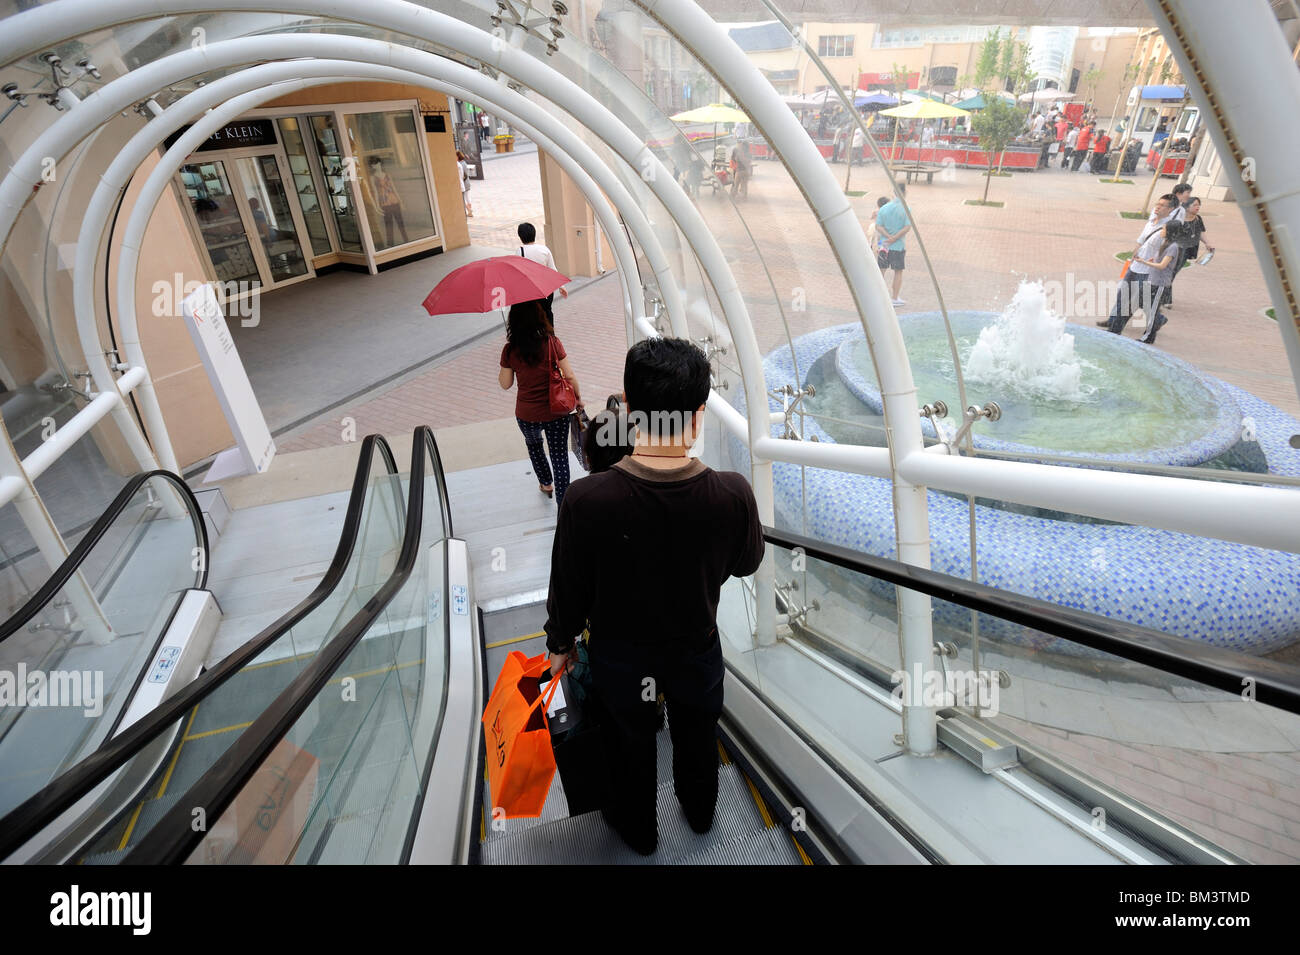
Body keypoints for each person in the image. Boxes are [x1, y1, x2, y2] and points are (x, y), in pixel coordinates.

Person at [543, 337, 765, 856]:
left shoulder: (588, 499)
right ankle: (701, 812)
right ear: (699, 414)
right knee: (696, 731)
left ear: (628, 403)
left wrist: (560, 641)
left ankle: (640, 833)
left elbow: (569, 587)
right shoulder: (732, 494)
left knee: (628, 741)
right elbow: (746, 562)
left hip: (621, 657)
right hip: (696, 647)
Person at [498, 301, 582, 505]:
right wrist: (578, 399)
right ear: (540, 317)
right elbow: (569, 375)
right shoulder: (552, 342)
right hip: (556, 412)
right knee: (559, 456)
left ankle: (545, 482)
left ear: (513, 322)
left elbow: (505, 384)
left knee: (534, 445)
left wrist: (507, 361)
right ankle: (563, 507)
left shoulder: (510, 350)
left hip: (527, 415)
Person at [1105, 219, 1187, 344]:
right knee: (1133, 305)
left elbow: (1162, 266)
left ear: (1170, 231)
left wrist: (1144, 262)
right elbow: (1159, 260)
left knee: (1151, 311)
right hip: (1150, 281)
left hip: (1159, 285)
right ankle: (1115, 330)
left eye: (1164, 229)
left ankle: (1148, 337)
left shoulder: (1173, 247)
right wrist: (1152, 259)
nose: (1161, 231)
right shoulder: (1166, 243)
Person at [1166, 196, 1216, 309]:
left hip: (1187, 250)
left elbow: (1201, 232)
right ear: (1186, 206)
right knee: (1170, 273)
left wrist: (1208, 243)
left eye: (1199, 205)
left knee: (1172, 273)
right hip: (1175, 250)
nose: (1198, 207)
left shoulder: (1198, 218)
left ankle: (1163, 297)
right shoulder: (1179, 218)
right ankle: (1165, 299)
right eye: (1195, 205)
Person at [517, 221, 569, 320]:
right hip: (546, 289)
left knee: (532, 316)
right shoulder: (544, 249)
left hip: (530, 291)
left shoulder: (519, 251)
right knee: (547, 312)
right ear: (534, 234)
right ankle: (550, 334)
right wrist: (561, 286)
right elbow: (553, 269)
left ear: (520, 236)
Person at [875, 182, 911, 306]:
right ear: (905, 192)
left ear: (893, 192)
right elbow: (907, 227)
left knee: (881, 270)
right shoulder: (906, 208)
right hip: (898, 245)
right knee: (898, 271)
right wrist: (895, 237)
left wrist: (888, 237)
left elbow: (878, 226)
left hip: (884, 244)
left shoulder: (884, 208)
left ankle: (877, 296)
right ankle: (894, 298)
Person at [367, 156, 408, 246]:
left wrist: (401, 202)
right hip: (385, 203)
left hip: (394, 200)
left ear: (380, 163)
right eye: (373, 165)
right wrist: (377, 206)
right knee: (388, 223)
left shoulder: (388, 175)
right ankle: (390, 243)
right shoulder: (373, 177)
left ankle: (406, 240)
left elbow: (394, 188)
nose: (375, 166)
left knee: (400, 222)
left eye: (376, 164)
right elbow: (376, 193)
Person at [456, 150, 473, 218]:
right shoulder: (464, 163)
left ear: (458, 156)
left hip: (464, 183)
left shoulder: (460, 164)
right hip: (467, 182)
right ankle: (470, 211)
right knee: (468, 197)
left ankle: (469, 210)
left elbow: (463, 175)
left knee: (464, 198)